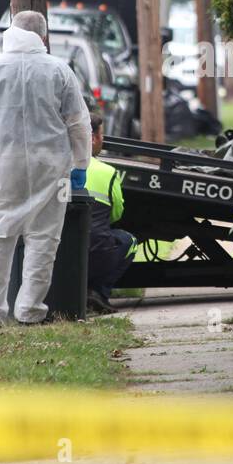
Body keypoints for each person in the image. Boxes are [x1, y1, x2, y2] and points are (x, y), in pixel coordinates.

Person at [0, 11, 91, 326]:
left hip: (3, 166)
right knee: (44, 239)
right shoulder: (59, 70)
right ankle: (30, 310)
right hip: (52, 167)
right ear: (43, 36)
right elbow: (78, 123)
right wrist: (80, 164)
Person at [84, 108, 134, 314]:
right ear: (93, 138)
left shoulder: (54, 166)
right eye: (101, 135)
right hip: (95, 250)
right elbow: (116, 214)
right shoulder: (108, 172)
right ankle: (98, 292)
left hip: (57, 248)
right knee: (128, 241)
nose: (102, 139)